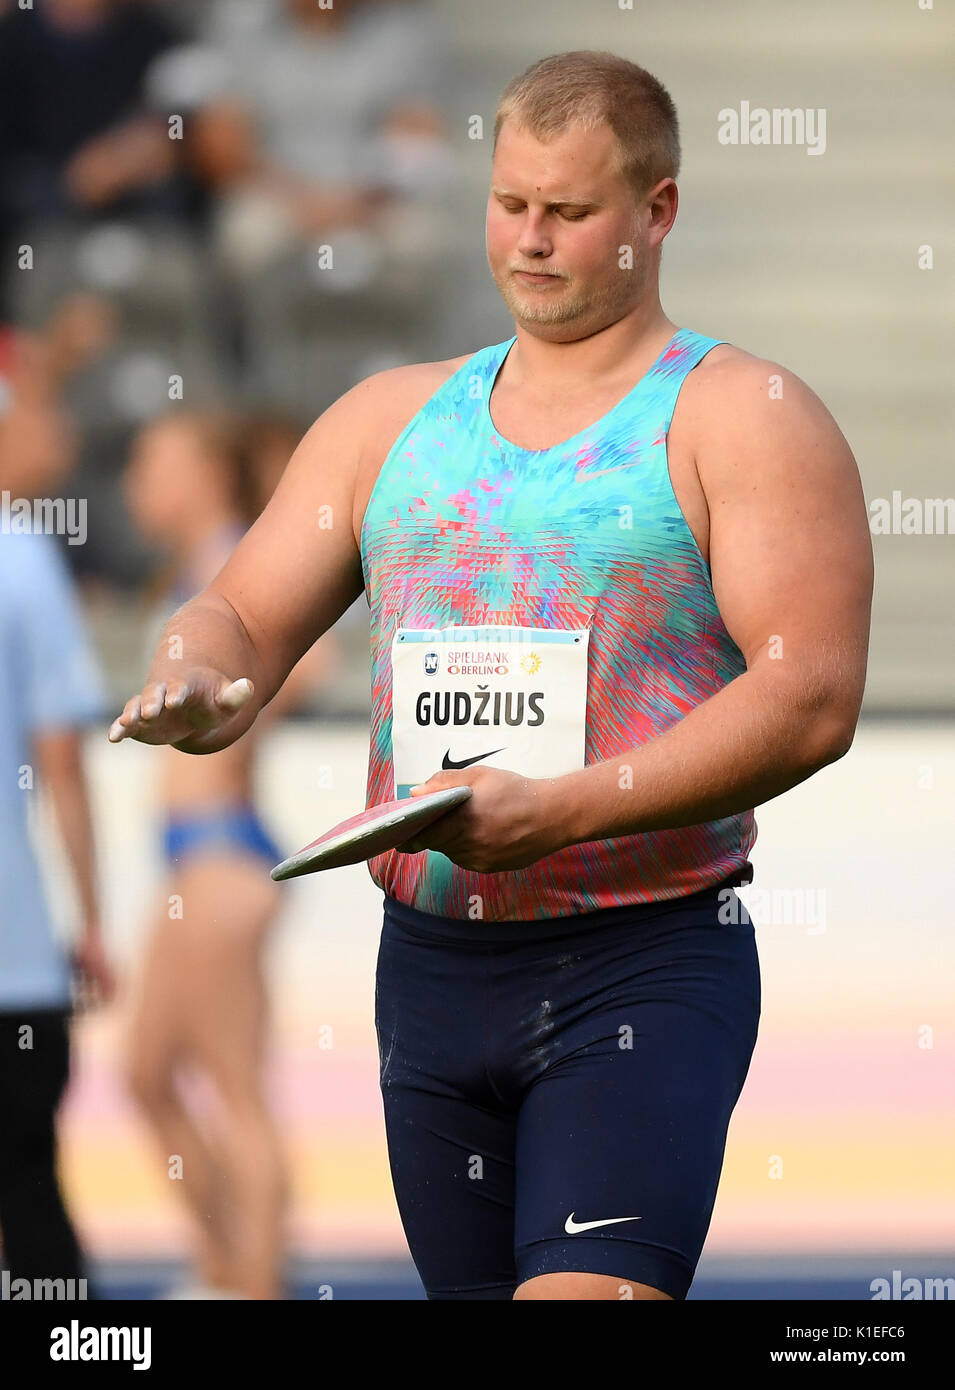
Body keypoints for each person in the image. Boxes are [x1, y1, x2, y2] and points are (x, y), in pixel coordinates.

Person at [107, 51, 874, 1301]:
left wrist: (562, 809)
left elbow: (810, 698)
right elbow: (237, 609)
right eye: (509, 203)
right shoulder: (388, 421)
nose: (529, 239)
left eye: (569, 212)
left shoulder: (741, 415)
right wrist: (197, 673)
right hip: (428, 974)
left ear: (656, 212)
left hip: (642, 957)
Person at [120, 410, 339, 1300]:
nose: (137, 485)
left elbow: (310, 659)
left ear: (204, 473)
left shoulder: (231, 560)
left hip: (220, 861)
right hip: (196, 861)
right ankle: (226, 1267)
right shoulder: (197, 566)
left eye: (152, 463)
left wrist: (241, 716)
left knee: (233, 1087)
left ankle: (256, 1284)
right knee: (146, 1074)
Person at [0, 319, 115, 1292]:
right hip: (15, 955)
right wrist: (94, 919)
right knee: (30, 1198)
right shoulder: (23, 557)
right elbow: (62, 766)